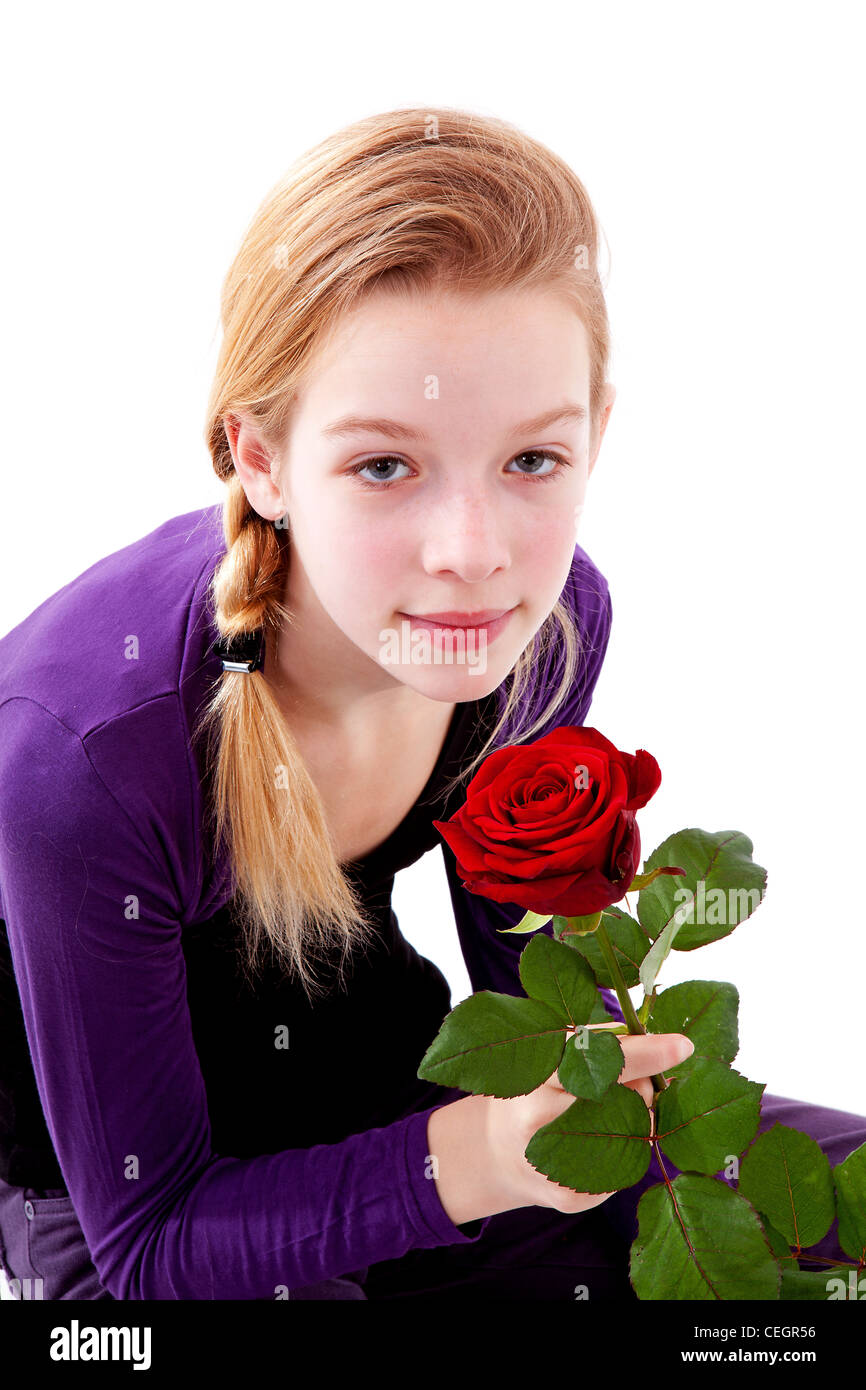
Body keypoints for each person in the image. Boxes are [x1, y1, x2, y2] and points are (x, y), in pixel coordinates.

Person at [0, 106, 863, 1303]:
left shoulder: (547, 634)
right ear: (259, 459)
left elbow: (536, 1008)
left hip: (380, 1109)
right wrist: (475, 1162)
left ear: (594, 435)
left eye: (530, 461)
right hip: (135, 1235)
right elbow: (152, 1235)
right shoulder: (84, 758)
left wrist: (598, 1107)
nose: (474, 555)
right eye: (384, 465)